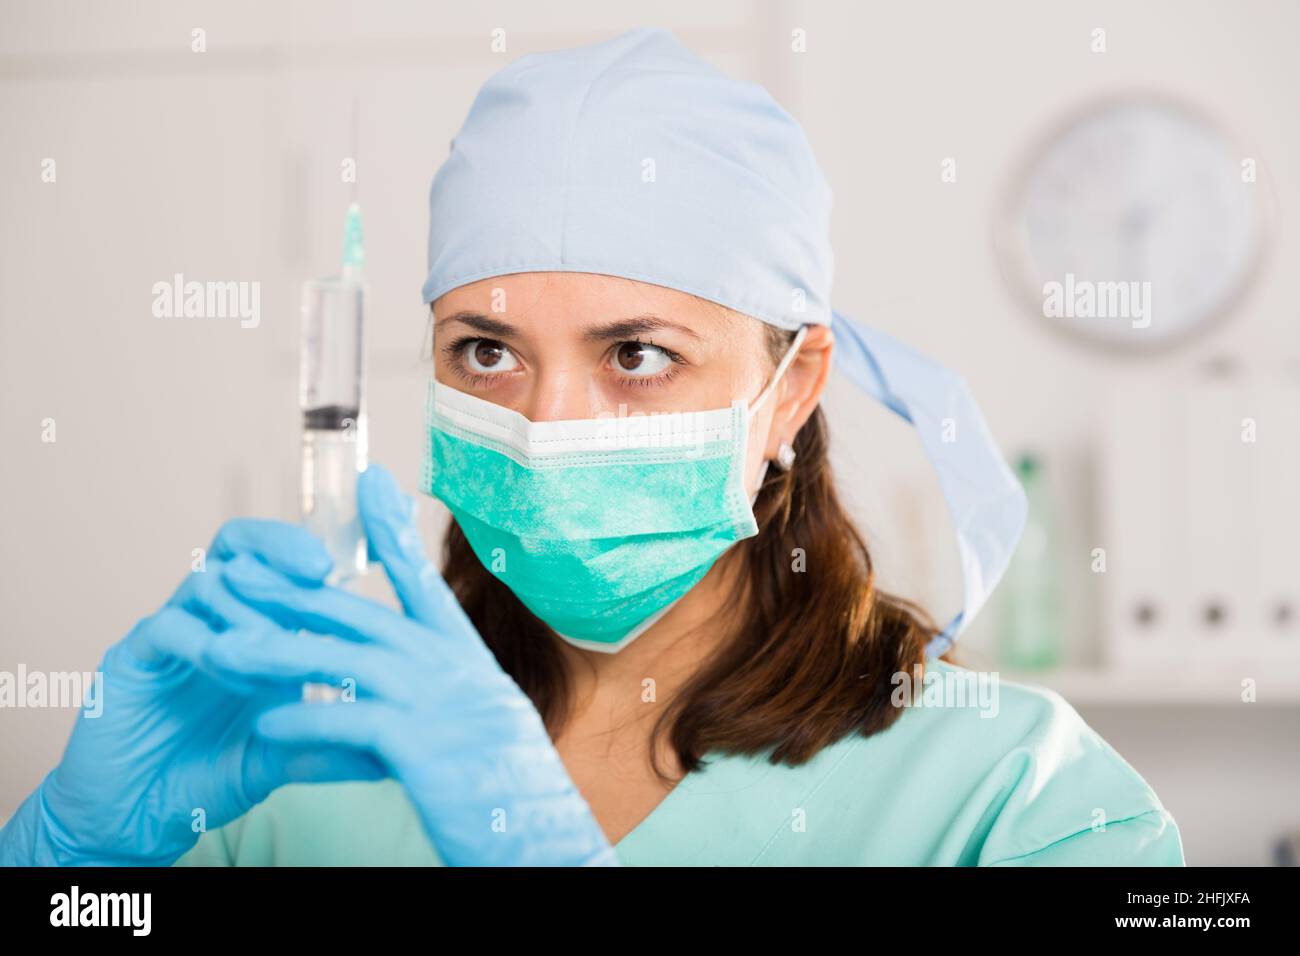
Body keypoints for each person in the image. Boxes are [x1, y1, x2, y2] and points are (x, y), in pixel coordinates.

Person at [0, 27, 1182, 867]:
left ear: (788, 389)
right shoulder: (302, 762)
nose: (546, 423)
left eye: (636, 353)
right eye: (485, 350)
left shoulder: (1015, 800)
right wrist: (74, 861)